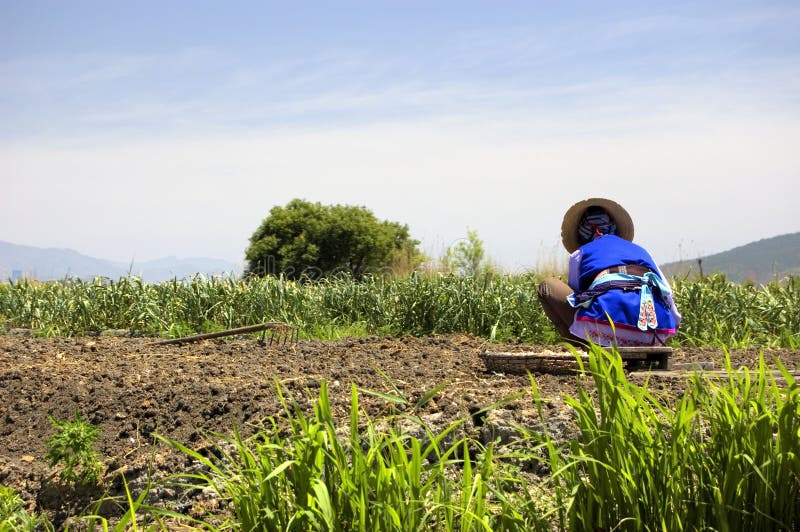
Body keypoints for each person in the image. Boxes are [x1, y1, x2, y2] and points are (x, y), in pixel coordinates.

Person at [537, 197, 681, 347]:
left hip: (604, 330)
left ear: (582, 234)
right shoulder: (642, 252)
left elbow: (578, 297)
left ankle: (586, 348)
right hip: (656, 334)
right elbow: (669, 300)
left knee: (546, 287)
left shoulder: (580, 253)